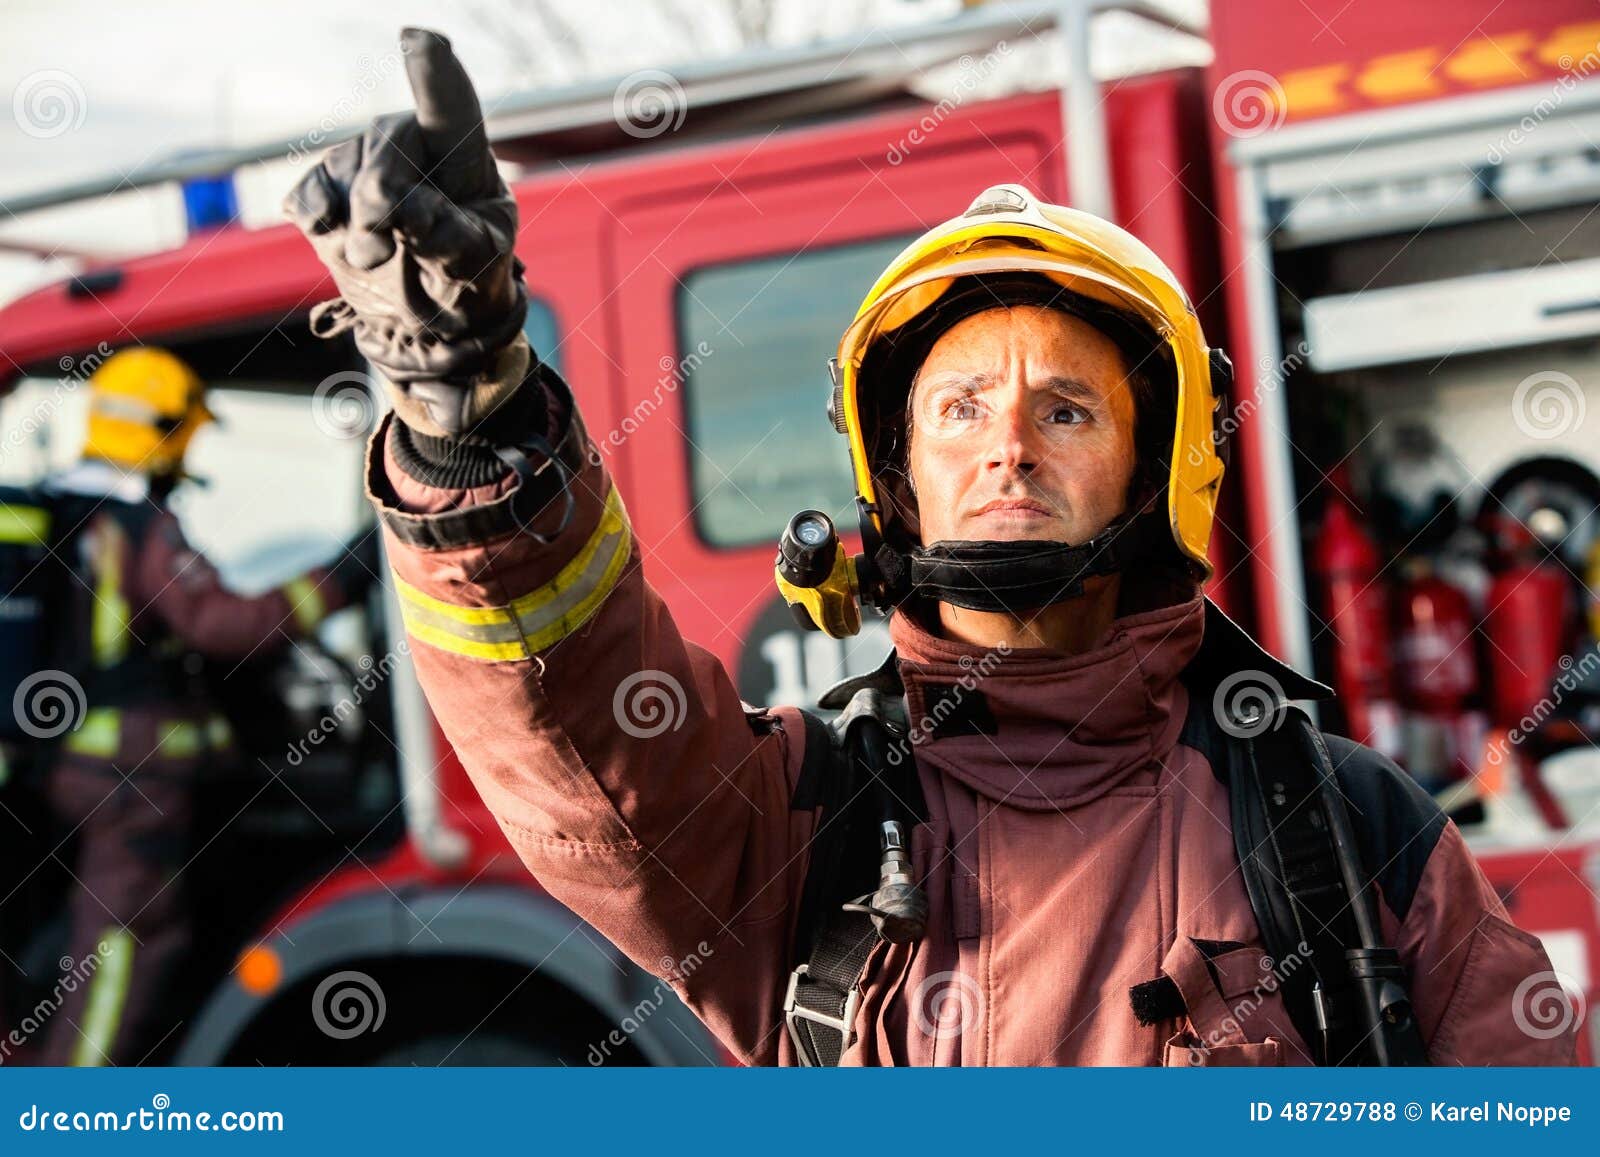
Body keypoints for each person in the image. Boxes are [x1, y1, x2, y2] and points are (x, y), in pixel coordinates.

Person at [286, 28, 1579, 1066]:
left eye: (1065, 408)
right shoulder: (802, 826)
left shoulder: (1351, 830)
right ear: (897, 482)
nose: (1009, 448)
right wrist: (471, 421)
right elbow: (585, 742)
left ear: (1162, 466)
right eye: (960, 410)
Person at [39, 346, 376, 1066]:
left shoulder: (59, 512)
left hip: (73, 767)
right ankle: (63, 1113)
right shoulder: (139, 526)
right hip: (134, 780)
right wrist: (350, 573)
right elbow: (229, 627)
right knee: (128, 939)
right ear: (164, 429)